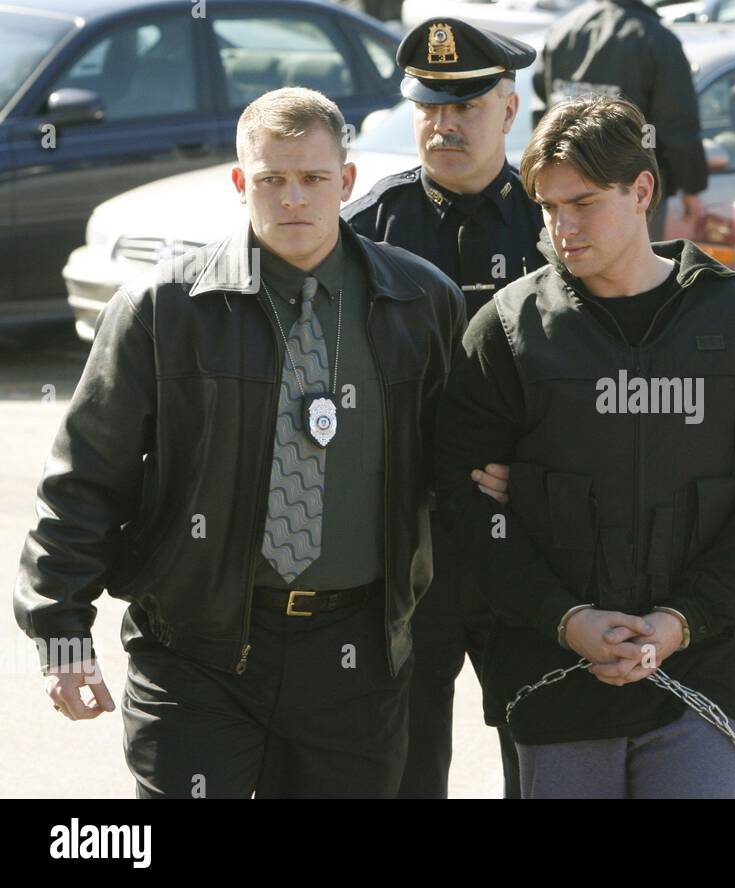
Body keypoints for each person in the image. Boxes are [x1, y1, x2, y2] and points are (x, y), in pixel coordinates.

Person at [14, 87, 465, 798]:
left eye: (314, 179)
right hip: (196, 652)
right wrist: (61, 632)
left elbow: (459, 471)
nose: (293, 199)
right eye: (271, 180)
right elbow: (82, 479)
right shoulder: (163, 309)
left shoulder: (420, 302)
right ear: (239, 183)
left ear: (345, 183)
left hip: (353, 656)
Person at [435, 96, 735, 799]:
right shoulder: (510, 329)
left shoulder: (734, 317)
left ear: (641, 191)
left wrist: (681, 621)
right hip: (552, 676)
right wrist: (565, 618)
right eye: (547, 207)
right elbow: (464, 502)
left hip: (697, 673)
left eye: (583, 203)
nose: (562, 227)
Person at [344, 16, 542, 800]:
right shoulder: (366, 232)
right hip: (406, 543)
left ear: (509, 109)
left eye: (464, 106)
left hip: (526, 543)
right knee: (404, 767)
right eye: (430, 106)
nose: (444, 124)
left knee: (540, 760)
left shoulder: (557, 225)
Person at [533, 0, 708, 239]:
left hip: (567, 185)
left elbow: (541, 112)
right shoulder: (655, 39)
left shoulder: (564, 29)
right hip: (629, 191)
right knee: (635, 271)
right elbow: (677, 124)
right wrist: (692, 187)